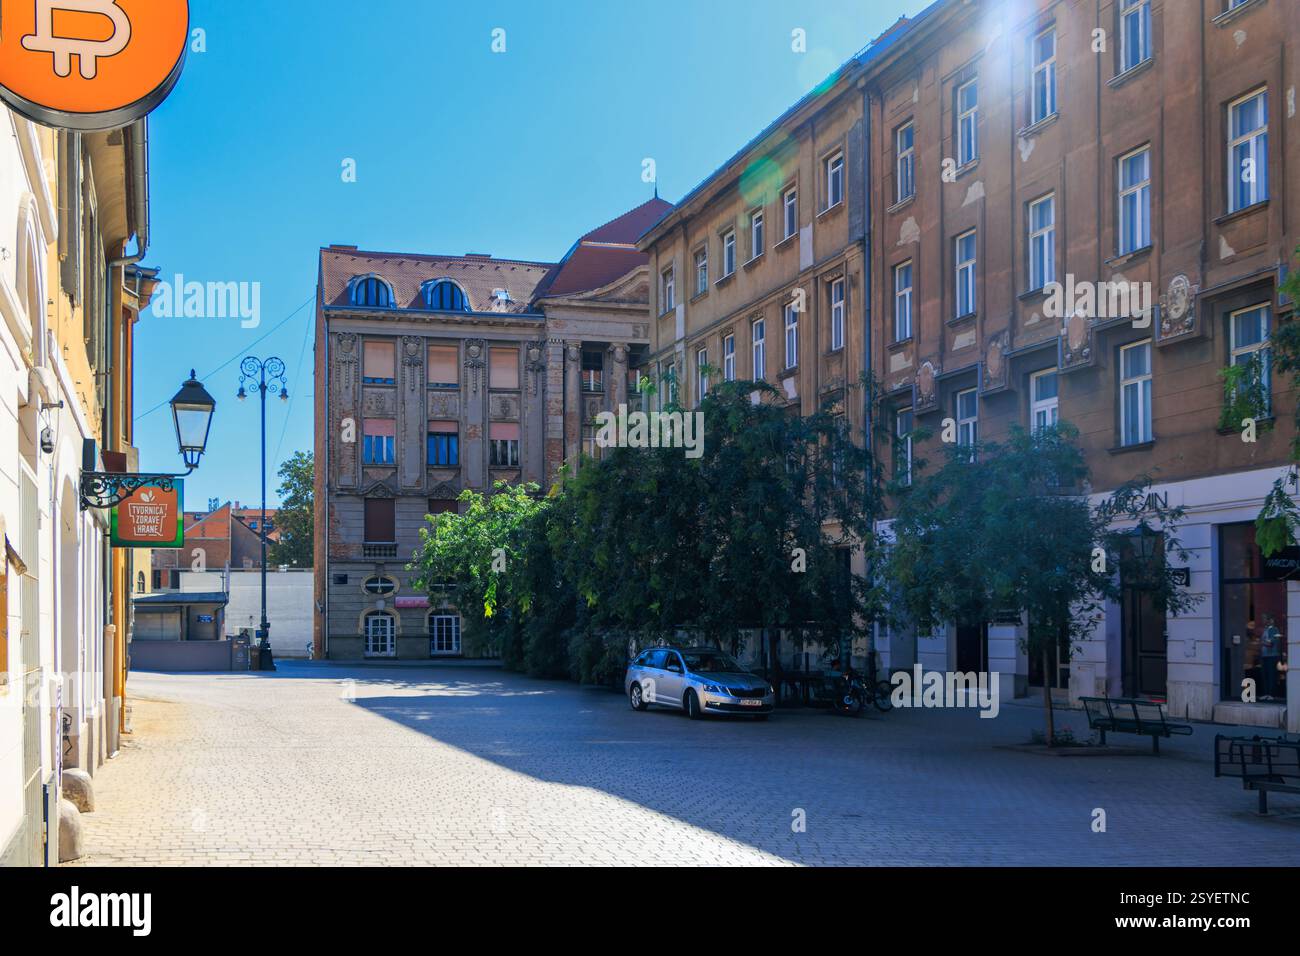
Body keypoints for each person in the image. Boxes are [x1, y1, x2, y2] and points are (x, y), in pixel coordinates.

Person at [1260, 615, 1283, 700]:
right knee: (1265, 675)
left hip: (1272, 656)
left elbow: (1271, 643)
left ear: (1271, 620)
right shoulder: (1266, 629)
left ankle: (1272, 695)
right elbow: (1265, 641)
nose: (1263, 620)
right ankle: (1266, 693)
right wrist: (1263, 642)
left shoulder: (1274, 629)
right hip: (1265, 656)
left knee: (1271, 675)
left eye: (1265, 619)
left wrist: (1263, 643)